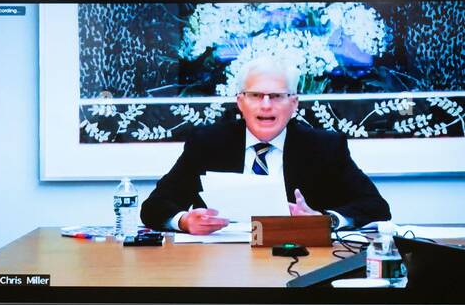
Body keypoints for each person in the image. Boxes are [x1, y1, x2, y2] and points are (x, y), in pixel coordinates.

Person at [140, 55, 391, 235]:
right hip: (221, 267)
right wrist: (184, 221)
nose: (266, 105)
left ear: (293, 104)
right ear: (240, 102)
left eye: (277, 96)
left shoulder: (324, 147)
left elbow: (376, 207)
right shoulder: (207, 143)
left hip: (300, 262)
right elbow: (154, 207)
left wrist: (325, 220)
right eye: (256, 95)